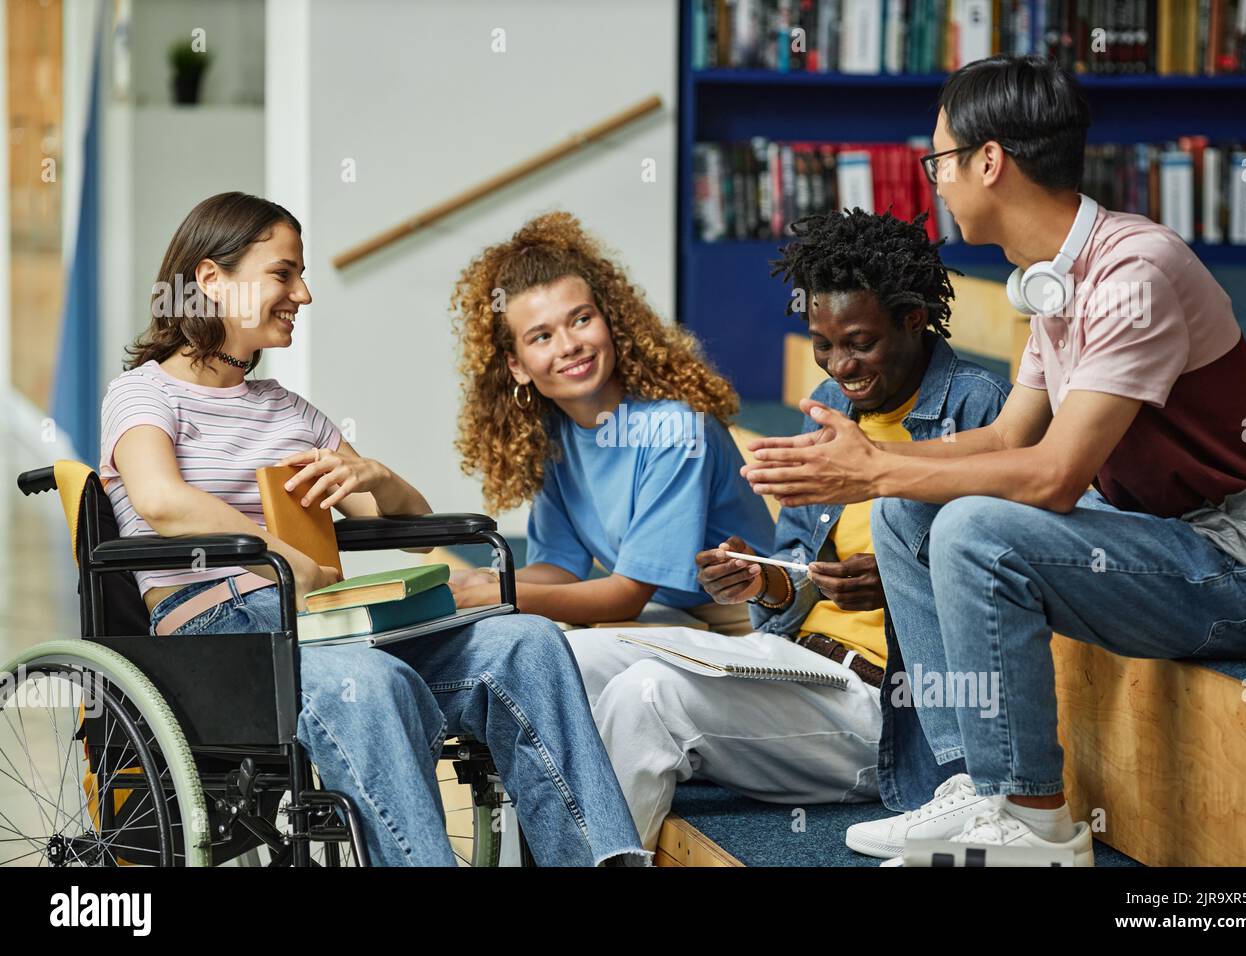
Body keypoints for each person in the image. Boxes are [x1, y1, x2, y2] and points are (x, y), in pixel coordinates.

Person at [742, 55, 1246, 867]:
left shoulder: (1132, 275)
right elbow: (1008, 437)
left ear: (989, 161)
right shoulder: (1054, 277)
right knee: (908, 513)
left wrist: (874, 470)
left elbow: (1052, 474)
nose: (935, 181)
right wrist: (875, 463)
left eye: (940, 160)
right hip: (1152, 531)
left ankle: (1035, 820)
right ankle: (972, 782)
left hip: (1245, 566)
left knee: (972, 529)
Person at [102, 191, 647, 866]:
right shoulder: (144, 393)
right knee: (374, 683)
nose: (302, 293)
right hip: (219, 636)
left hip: (323, 626)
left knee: (526, 643)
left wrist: (373, 480)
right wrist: (279, 556)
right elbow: (161, 500)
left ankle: (599, 860)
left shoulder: (289, 411)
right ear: (212, 279)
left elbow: (413, 531)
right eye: (284, 273)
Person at [565, 209, 1010, 848]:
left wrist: (892, 584)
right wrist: (764, 580)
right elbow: (798, 564)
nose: (839, 366)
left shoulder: (982, 411)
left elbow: (1007, 578)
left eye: (859, 342)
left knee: (647, 696)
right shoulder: (829, 408)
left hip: (887, 704)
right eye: (823, 344)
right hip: (796, 661)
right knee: (568, 656)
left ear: (914, 319)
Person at [449, 211, 773, 630]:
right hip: (669, 614)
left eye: (582, 319)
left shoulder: (674, 430)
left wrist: (503, 593)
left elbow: (624, 597)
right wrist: (482, 582)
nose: (569, 346)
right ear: (517, 365)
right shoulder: (553, 435)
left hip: (745, 619)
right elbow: (558, 568)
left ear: (610, 321)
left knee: (553, 651)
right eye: (542, 336)